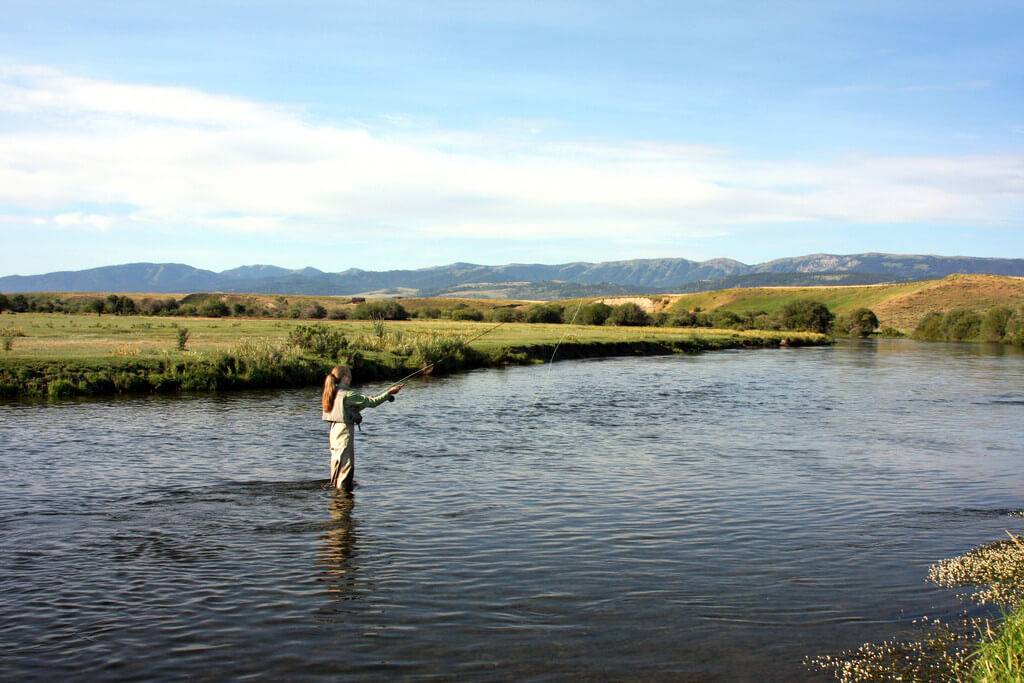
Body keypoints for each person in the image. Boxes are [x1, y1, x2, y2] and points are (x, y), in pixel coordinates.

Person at [321, 365, 401, 492]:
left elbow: (347, 410)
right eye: (350, 377)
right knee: (346, 466)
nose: (351, 379)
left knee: (337, 464)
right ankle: (343, 497)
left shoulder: (332, 392)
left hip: (333, 432)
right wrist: (389, 393)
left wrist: (365, 401)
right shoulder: (349, 394)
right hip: (344, 432)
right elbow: (372, 403)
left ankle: (335, 494)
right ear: (345, 377)